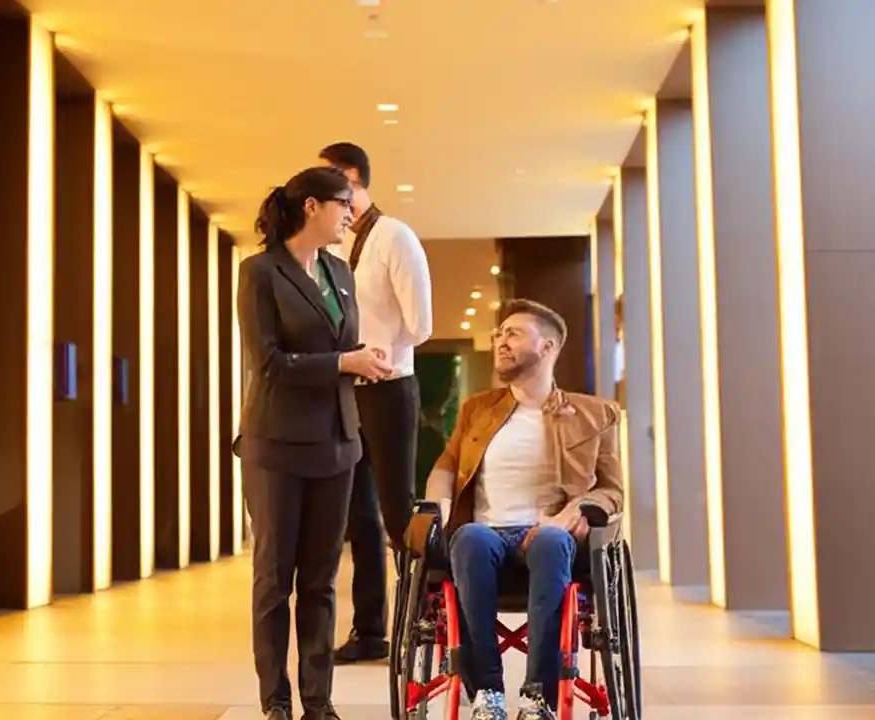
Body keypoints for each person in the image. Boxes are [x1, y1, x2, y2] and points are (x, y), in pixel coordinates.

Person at [235, 166, 394, 720]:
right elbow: (269, 363)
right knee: (276, 579)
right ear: (311, 207)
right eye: (343, 204)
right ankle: (275, 701)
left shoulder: (340, 272)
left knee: (323, 581)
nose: (351, 214)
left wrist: (362, 361)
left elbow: (339, 350)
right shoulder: (259, 272)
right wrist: (341, 362)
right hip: (276, 444)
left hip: (338, 443)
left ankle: (318, 702)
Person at [423, 299, 624, 720]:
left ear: (548, 346)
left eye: (513, 333)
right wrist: (438, 507)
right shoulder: (478, 409)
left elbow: (612, 490)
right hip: (485, 535)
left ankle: (538, 697)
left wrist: (577, 509)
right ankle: (488, 694)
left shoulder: (594, 414)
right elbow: (447, 465)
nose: (501, 341)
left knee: (551, 540)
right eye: (499, 334)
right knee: (471, 538)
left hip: (550, 535)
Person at [318, 142, 433, 664]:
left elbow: (421, 323)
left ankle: (419, 623)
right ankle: (369, 631)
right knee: (356, 517)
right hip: (344, 388)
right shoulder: (332, 245)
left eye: (334, 182)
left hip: (389, 386)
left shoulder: (395, 236)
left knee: (394, 511)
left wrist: (379, 352)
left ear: (356, 179)